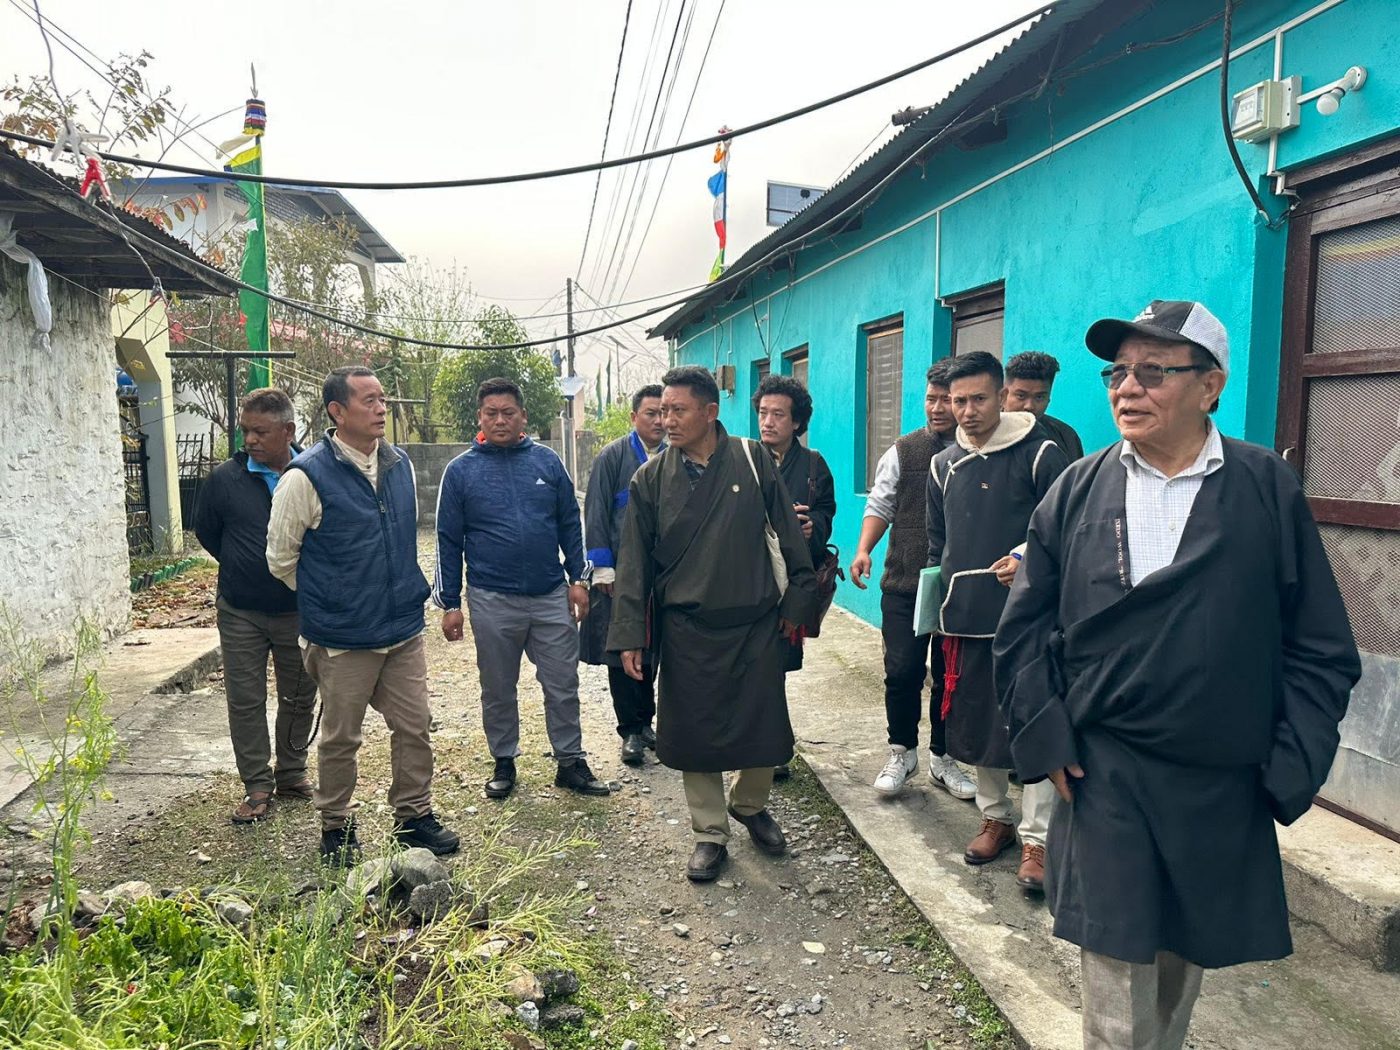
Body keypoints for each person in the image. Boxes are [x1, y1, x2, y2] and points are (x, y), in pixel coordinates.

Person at [994, 300, 1359, 1050]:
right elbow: (1024, 629)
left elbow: (1320, 646)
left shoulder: (1265, 488)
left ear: (1211, 386)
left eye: (1154, 372)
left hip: (1216, 774)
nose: (1128, 389)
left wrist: (1286, 766)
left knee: (1177, 972)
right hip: (1104, 770)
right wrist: (1047, 734)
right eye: (1118, 372)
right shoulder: (1078, 489)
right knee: (1115, 980)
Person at [608, 365, 819, 882]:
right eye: (661, 411)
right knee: (695, 733)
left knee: (764, 727)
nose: (667, 421)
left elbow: (789, 538)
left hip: (756, 622)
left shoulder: (752, 460)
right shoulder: (650, 478)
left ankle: (749, 804)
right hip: (688, 628)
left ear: (709, 412)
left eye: (678, 410)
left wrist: (797, 604)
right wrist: (631, 633)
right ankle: (709, 832)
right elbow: (635, 562)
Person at [267, 365, 459, 866]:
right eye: (369, 401)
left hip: (400, 627)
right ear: (337, 411)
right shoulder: (304, 477)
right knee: (341, 737)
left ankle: (413, 817)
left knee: (415, 725)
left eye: (383, 400)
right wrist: (333, 598)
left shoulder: (398, 464)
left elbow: (404, 536)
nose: (381, 409)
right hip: (342, 636)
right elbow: (281, 559)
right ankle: (337, 826)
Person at [926, 351, 1067, 893]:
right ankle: (996, 819)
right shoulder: (943, 463)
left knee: (1031, 721)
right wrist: (934, 603)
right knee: (979, 722)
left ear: (1002, 393)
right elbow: (940, 544)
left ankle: (1038, 838)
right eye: (958, 401)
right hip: (965, 616)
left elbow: (1061, 528)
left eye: (978, 398)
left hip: (1030, 617)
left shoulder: (1041, 453)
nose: (966, 411)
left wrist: (1027, 559)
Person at [434, 377, 609, 800]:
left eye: (508, 412)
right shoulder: (460, 472)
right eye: (491, 413)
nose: (500, 420)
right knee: (497, 685)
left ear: (523, 416)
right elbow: (447, 539)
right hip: (492, 597)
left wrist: (578, 580)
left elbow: (570, 522)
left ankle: (570, 762)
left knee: (563, 682)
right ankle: (504, 761)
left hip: (550, 594)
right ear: (479, 417)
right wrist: (451, 603)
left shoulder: (547, 464)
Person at [849, 360, 976, 802]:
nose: (939, 407)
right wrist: (864, 549)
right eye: (932, 398)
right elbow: (881, 505)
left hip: (957, 587)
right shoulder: (903, 451)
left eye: (948, 399)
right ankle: (902, 751)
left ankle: (944, 757)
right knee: (902, 671)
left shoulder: (977, 452)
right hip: (904, 583)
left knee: (949, 675)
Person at [194, 387, 317, 825]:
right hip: (240, 609)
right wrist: (244, 566)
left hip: (299, 609)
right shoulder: (223, 480)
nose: (249, 440)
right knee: (245, 699)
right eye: (245, 430)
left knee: (300, 695)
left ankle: (292, 772)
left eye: (260, 432)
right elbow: (207, 532)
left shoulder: (312, 474)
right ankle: (257, 785)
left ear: (288, 430)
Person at [754, 373, 837, 782]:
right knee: (754, 663)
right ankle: (766, 745)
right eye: (763, 413)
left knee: (776, 665)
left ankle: (772, 746)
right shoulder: (743, 458)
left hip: (793, 580)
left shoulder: (813, 465)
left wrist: (812, 528)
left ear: (797, 422)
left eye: (779, 415)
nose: (768, 422)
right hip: (750, 578)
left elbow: (826, 513)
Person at [580, 384, 666, 766]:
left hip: (662, 576)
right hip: (621, 575)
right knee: (621, 652)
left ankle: (647, 721)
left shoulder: (675, 457)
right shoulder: (613, 457)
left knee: (653, 651)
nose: (659, 421)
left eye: (665, 413)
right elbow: (595, 512)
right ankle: (629, 730)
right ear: (634, 417)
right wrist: (602, 569)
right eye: (651, 413)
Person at [1003, 351, 1085, 459]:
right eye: (1021, 396)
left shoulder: (1066, 437)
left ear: (1049, 399)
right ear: (1003, 396)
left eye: (1039, 397)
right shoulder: (981, 435)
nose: (1029, 406)